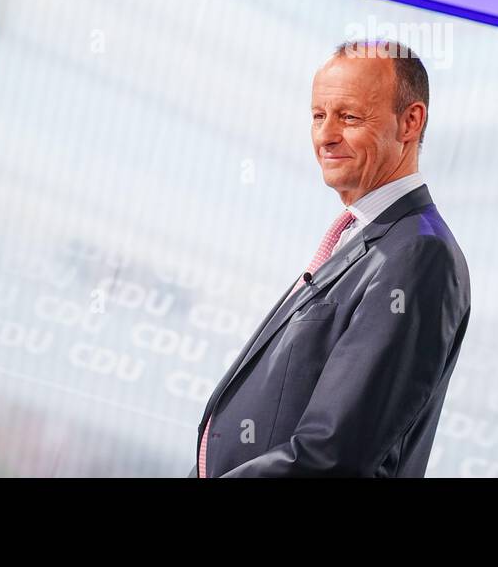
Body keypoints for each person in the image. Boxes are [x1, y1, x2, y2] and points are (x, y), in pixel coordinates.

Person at [188, 39, 471, 477]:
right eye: (319, 116)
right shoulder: (364, 237)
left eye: (349, 117)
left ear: (410, 121)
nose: (325, 135)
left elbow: (334, 456)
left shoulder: (418, 254)